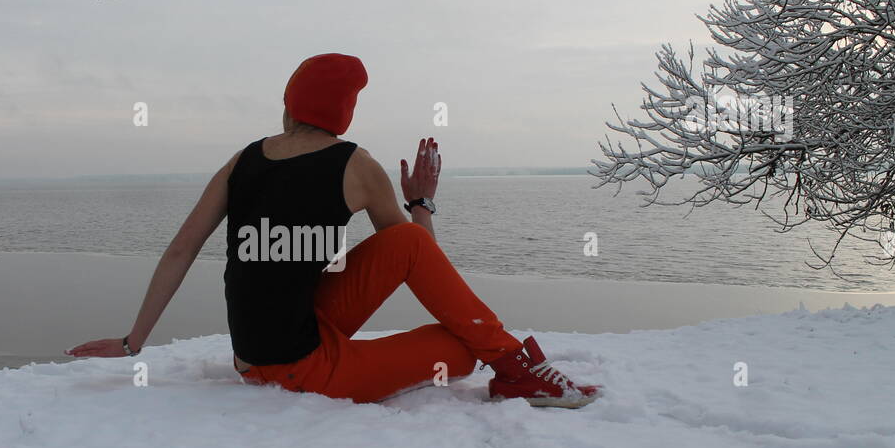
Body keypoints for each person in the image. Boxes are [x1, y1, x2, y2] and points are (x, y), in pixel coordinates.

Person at [67, 53, 600, 408]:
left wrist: (132, 341)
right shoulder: (356, 165)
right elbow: (425, 261)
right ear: (343, 112)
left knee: (409, 250)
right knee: (459, 351)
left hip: (255, 352)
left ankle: (512, 364)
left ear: (290, 104)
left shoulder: (244, 160)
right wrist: (422, 203)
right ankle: (514, 369)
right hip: (301, 369)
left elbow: (181, 249)